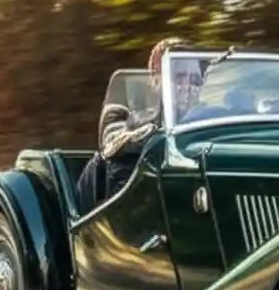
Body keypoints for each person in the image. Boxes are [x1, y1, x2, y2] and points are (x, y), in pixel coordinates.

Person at [75, 38, 192, 214]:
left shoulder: (212, 118)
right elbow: (112, 138)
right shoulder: (135, 123)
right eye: (179, 77)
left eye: (195, 78)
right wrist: (151, 132)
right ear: (155, 79)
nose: (188, 86)